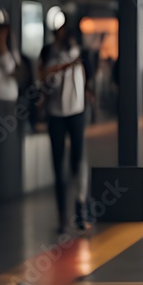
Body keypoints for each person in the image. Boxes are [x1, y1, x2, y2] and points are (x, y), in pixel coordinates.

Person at [40, 23, 92, 233]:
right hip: (55, 114)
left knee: (78, 161)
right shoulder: (48, 52)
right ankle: (62, 216)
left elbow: (86, 78)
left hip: (76, 112)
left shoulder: (78, 52)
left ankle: (80, 208)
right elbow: (42, 75)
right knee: (58, 165)